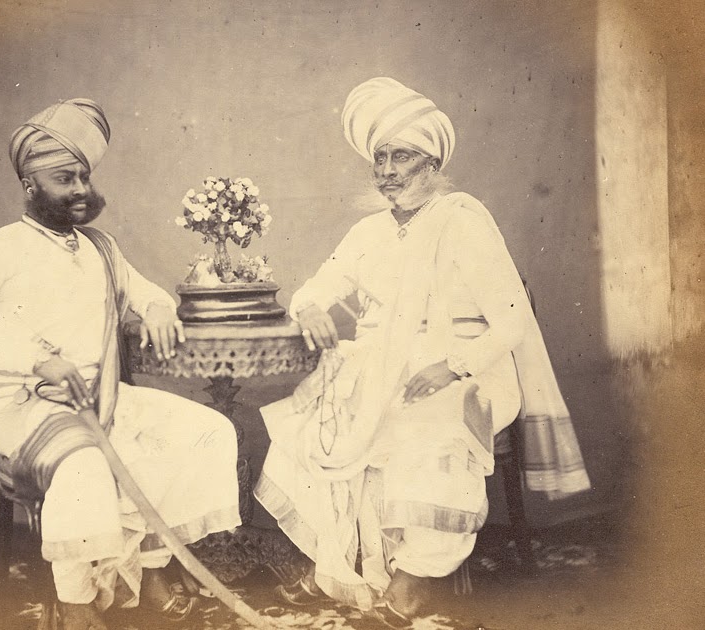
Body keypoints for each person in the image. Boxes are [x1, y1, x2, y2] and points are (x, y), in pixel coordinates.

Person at [253, 78, 590, 625]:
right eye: (380, 157)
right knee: (317, 418)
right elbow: (321, 283)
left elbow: (511, 324)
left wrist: (451, 367)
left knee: (427, 427)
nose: (387, 170)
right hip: (381, 364)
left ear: (432, 163)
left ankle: (413, 576)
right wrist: (309, 307)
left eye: (401, 156)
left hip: (467, 370)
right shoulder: (367, 232)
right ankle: (352, 564)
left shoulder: (461, 222)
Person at [0, 98, 240, 630]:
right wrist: (35, 362)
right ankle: (74, 603)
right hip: (27, 408)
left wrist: (159, 306)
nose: (78, 190)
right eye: (63, 179)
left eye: (83, 176)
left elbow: (146, 292)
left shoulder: (101, 246)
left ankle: (151, 562)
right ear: (30, 185)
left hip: (103, 399)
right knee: (86, 463)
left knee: (206, 429)